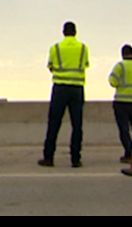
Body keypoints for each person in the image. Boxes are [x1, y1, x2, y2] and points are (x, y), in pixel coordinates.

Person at [39, 21, 89, 168]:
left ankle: (48, 157)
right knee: (77, 125)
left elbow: (51, 66)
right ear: (75, 32)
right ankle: (75, 159)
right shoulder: (83, 48)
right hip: (77, 89)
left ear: (63, 32)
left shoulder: (55, 48)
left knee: (54, 123)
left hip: (60, 88)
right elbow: (85, 65)